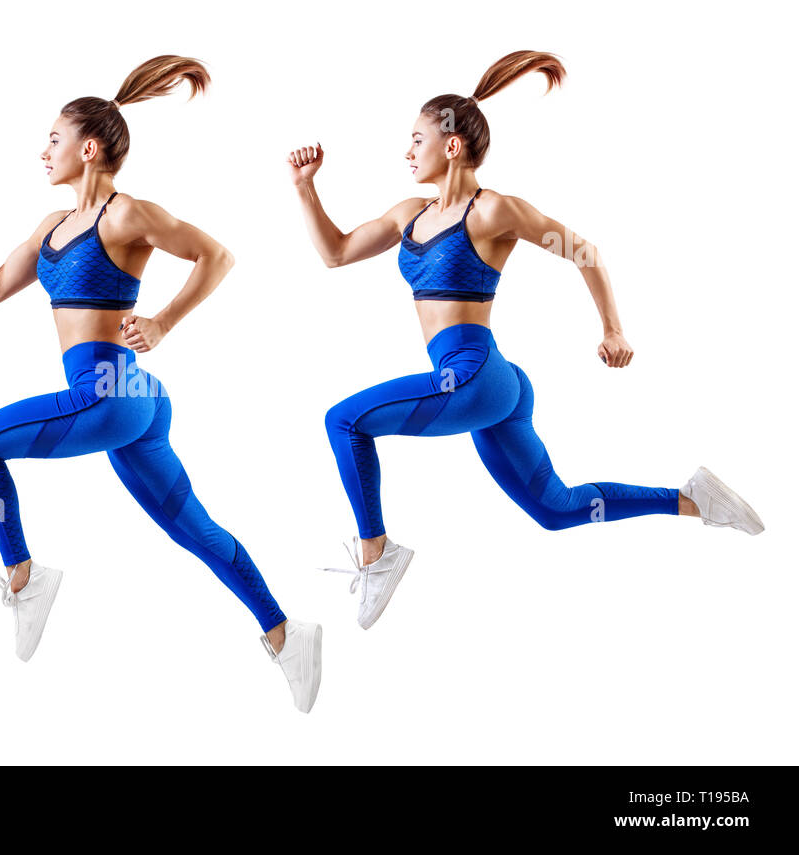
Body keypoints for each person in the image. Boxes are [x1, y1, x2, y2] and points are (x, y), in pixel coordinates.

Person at [287, 50, 764, 631]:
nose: (407, 151)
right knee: (557, 510)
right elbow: (335, 253)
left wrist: (612, 328)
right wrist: (305, 188)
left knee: (343, 421)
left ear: (452, 145)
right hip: (494, 386)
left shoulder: (493, 212)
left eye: (416, 139)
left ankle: (376, 552)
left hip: (471, 374)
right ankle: (694, 499)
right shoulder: (409, 214)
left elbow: (583, 249)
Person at [0, 55, 321, 711]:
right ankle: (288, 635)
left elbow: (216, 255)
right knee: (194, 528)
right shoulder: (52, 228)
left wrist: (166, 320)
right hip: (135, 400)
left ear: (88, 149)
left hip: (110, 393)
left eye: (53, 140)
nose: (42, 152)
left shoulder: (125, 216)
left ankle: (23, 573)